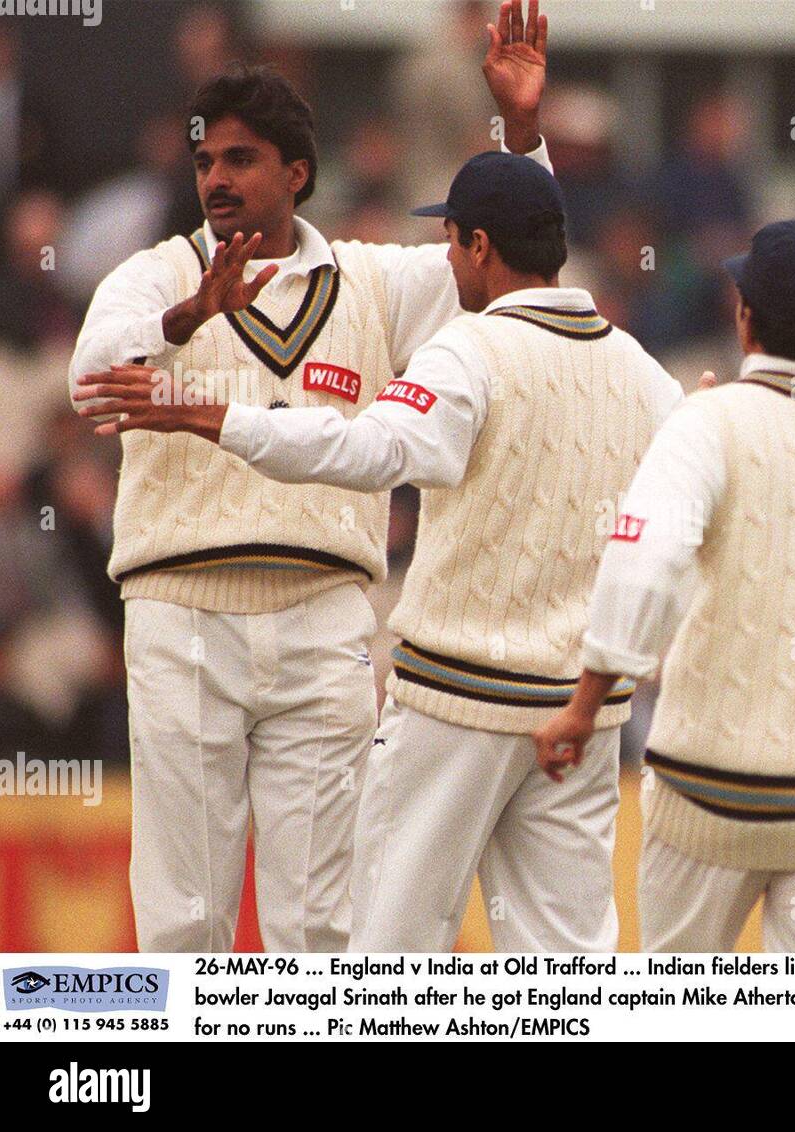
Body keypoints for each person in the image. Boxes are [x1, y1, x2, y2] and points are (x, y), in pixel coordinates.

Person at [76, 152, 683, 953]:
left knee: (385, 954)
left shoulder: (469, 353)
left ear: (475, 246)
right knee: (567, 965)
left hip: (455, 705)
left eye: (453, 242)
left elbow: (366, 450)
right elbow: (672, 537)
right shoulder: (646, 376)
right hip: (577, 714)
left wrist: (213, 418)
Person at [69, 0, 552, 953]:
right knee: (185, 918)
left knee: (317, 927)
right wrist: (184, 317)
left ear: (297, 172)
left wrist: (523, 132)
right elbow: (91, 388)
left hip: (326, 619)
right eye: (205, 160)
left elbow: (514, 268)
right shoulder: (152, 275)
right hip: (180, 611)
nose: (217, 178)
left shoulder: (374, 282)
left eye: (241, 159)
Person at [533, 220, 795, 952]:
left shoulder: (708, 421)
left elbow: (644, 562)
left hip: (710, 789)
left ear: (746, 317)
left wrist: (585, 703)